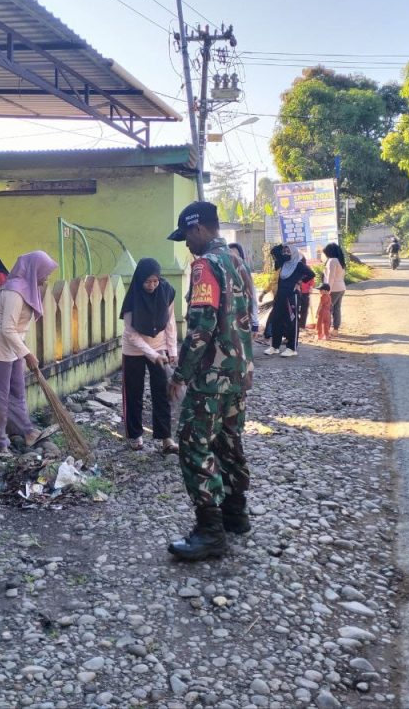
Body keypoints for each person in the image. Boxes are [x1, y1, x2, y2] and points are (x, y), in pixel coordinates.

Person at [165, 201, 254, 561]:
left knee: (193, 444)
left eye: (187, 235)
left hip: (212, 377)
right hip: (239, 374)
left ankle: (210, 530)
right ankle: (235, 513)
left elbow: (201, 327)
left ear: (199, 228)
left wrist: (180, 374)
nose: (186, 244)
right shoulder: (237, 262)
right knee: (229, 441)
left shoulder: (206, 266)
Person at [0, 250, 59, 454]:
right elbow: (7, 328)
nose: (47, 277)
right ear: (34, 270)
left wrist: (22, 352)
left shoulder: (27, 289)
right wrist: (27, 354)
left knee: (17, 393)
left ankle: (27, 431)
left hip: (12, 348)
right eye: (45, 272)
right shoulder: (14, 291)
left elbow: (16, 329)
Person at [120, 258, 179, 453]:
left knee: (162, 392)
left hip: (159, 346)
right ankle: (135, 435)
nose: (152, 285)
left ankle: (166, 438)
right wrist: (152, 354)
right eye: (147, 281)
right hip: (133, 350)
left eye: (155, 281)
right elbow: (131, 334)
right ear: (139, 280)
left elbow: (170, 322)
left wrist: (172, 350)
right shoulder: (131, 299)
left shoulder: (167, 292)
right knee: (134, 392)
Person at [262, 244, 314, 357]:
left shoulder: (299, 265)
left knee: (292, 322)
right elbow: (274, 251)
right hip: (280, 296)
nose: (286, 253)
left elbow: (311, 274)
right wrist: (283, 246)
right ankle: (275, 346)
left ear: (294, 252)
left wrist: (299, 282)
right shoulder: (283, 264)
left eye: (288, 251)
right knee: (276, 320)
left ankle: (292, 348)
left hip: (292, 297)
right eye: (284, 251)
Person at [228, 243, 259, 339]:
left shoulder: (245, 272)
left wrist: (255, 324)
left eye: (236, 255)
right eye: (230, 254)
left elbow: (252, 297)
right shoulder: (223, 271)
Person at [322, 242, 347, 332]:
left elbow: (330, 277)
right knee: (337, 309)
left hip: (333, 288)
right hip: (341, 287)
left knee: (327, 309)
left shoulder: (332, 261)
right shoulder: (340, 260)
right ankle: (335, 329)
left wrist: (327, 290)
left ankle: (326, 329)